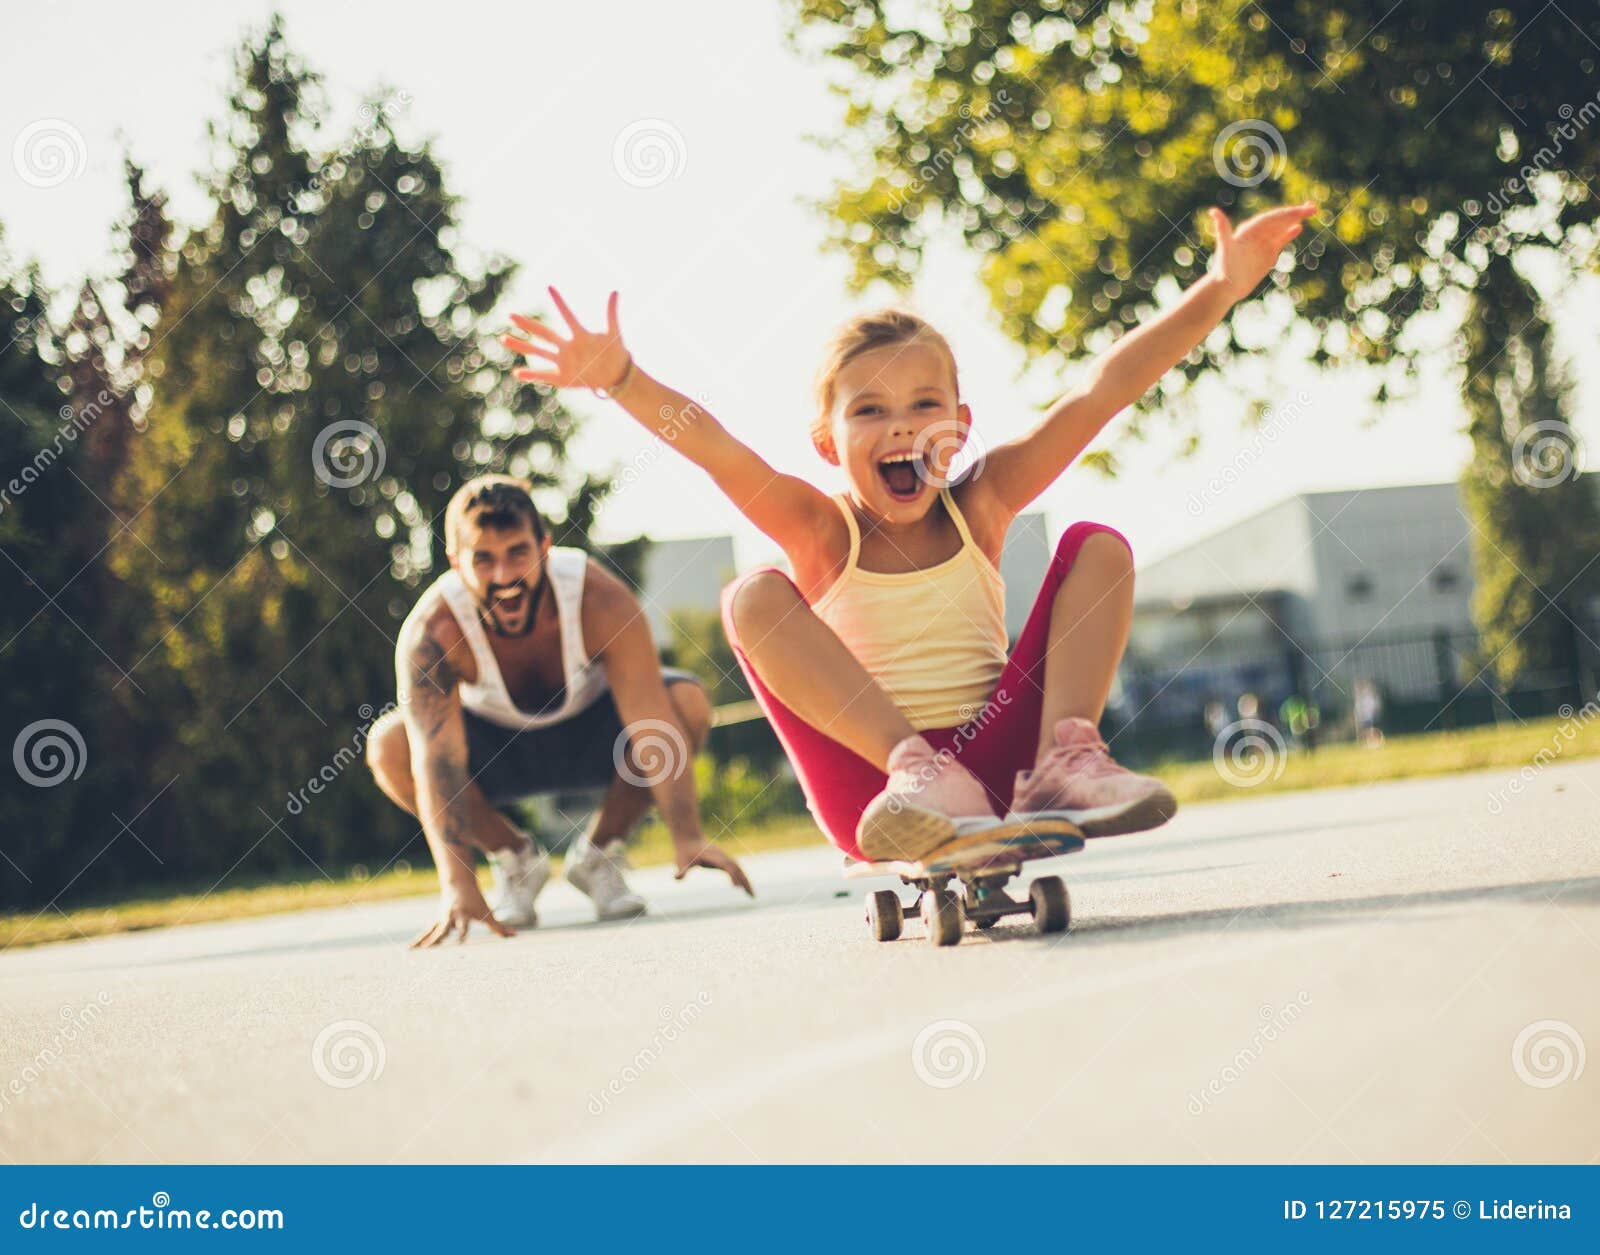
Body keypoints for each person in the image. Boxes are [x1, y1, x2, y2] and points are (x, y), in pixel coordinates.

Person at [501, 201, 1317, 862]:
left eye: (924, 405)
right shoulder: (821, 530)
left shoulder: (984, 502)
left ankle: (1067, 761)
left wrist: (1219, 287)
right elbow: (715, 448)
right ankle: (915, 766)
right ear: (828, 443)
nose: (901, 426)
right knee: (752, 597)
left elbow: (1101, 391)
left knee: (1098, 545)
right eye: (870, 411)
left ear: (959, 424)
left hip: (1003, 765)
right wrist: (623, 379)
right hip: (876, 790)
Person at [366, 475, 753, 947]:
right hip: (496, 753)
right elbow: (437, 761)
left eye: (518, 553)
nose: (504, 577)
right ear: (455, 562)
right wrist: (458, 882)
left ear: (545, 548)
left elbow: (652, 720)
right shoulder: (433, 632)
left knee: (686, 701)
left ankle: (599, 855)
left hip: (595, 739)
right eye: (483, 559)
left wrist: (687, 834)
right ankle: (515, 860)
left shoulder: (599, 599)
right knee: (390, 745)